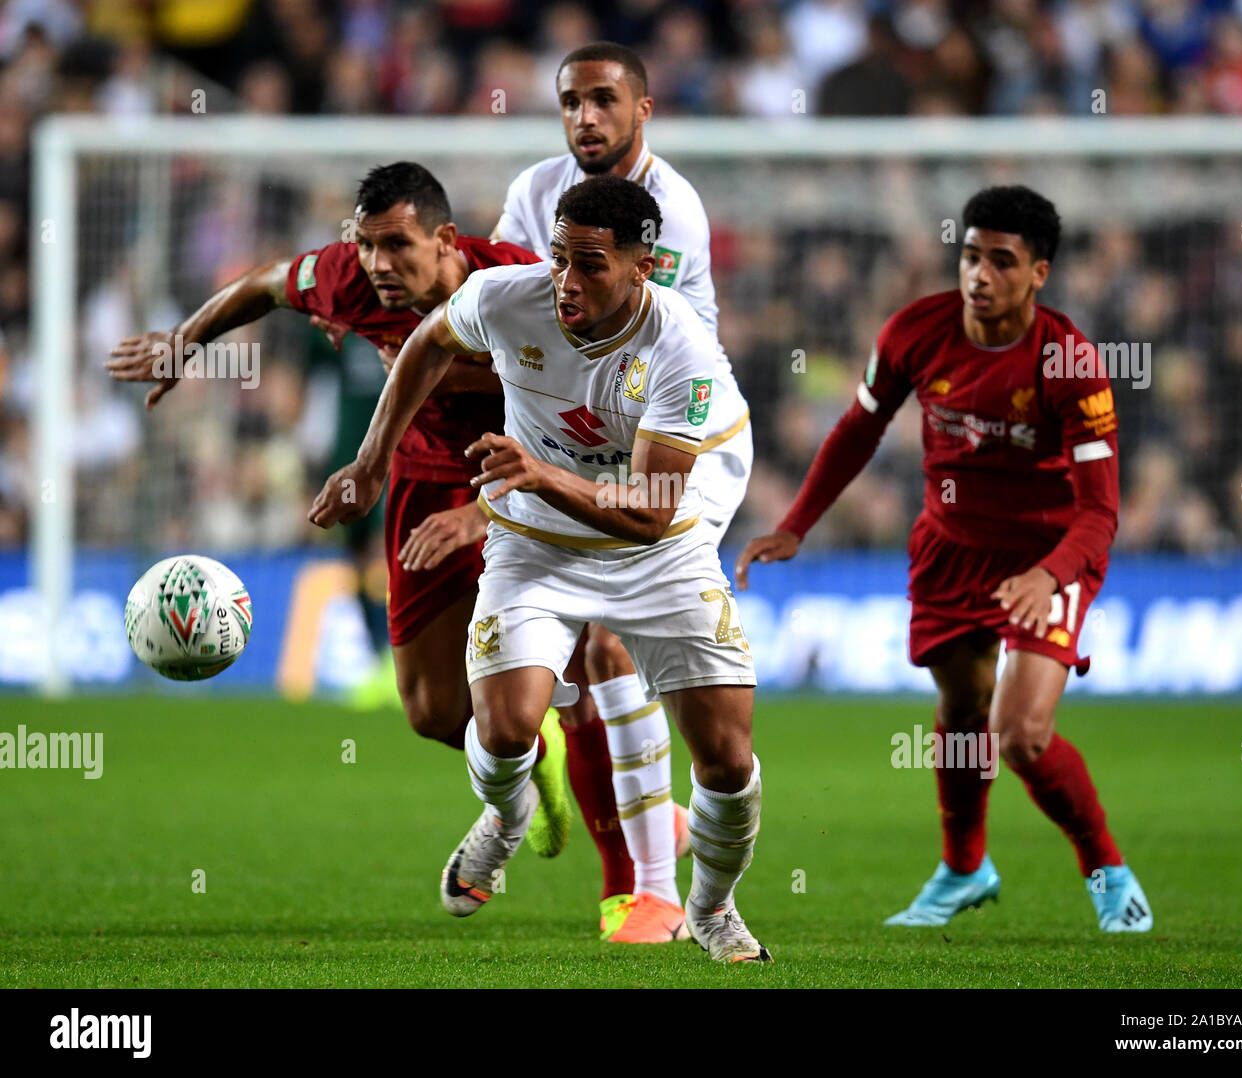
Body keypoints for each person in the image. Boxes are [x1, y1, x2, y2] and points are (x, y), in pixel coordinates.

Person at [309, 176, 771, 963]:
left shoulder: (680, 346)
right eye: (558, 258)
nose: (565, 281)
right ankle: (509, 814)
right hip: (536, 549)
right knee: (501, 728)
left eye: (590, 264)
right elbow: (426, 344)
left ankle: (714, 905)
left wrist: (540, 472)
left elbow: (651, 510)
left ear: (643, 266)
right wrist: (370, 461)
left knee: (726, 762)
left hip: (661, 551)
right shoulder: (504, 297)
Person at [104, 162, 573, 855]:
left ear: (446, 239)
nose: (378, 264)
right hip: (419, 477)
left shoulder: (513, 281)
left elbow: (579, 388)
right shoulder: (346, 278)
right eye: (365, 245)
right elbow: (263, 283)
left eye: (397, 247)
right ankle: (536, 760)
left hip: (520, 472)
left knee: (594, 665)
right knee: (429, 709)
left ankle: (639, 860)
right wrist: (185, 341)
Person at [737, 185, 1153, 933]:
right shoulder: (915, 331)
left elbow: (1100, 512)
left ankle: (1108, 870)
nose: (979, 275)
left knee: (1020, 736)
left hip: (1046, 553)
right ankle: (964, 869)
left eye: (1001, 261)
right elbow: (858, 430)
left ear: (1039, 274)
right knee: (961, 713)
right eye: (969, 256)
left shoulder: (1070, 364)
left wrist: (1048, 574)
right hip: (950, 550)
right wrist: (796, 524)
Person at [491, 40, 754, 943]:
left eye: (604, 100)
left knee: (610, 633)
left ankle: (656, 892)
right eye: (571, 101)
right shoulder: (535, 191)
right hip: (593, 428)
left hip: (683, 435)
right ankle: (660, 835)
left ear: (644, 110)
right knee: (574, 655)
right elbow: (519, 301)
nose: (585, 118)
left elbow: (617, 340)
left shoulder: (669, 210)